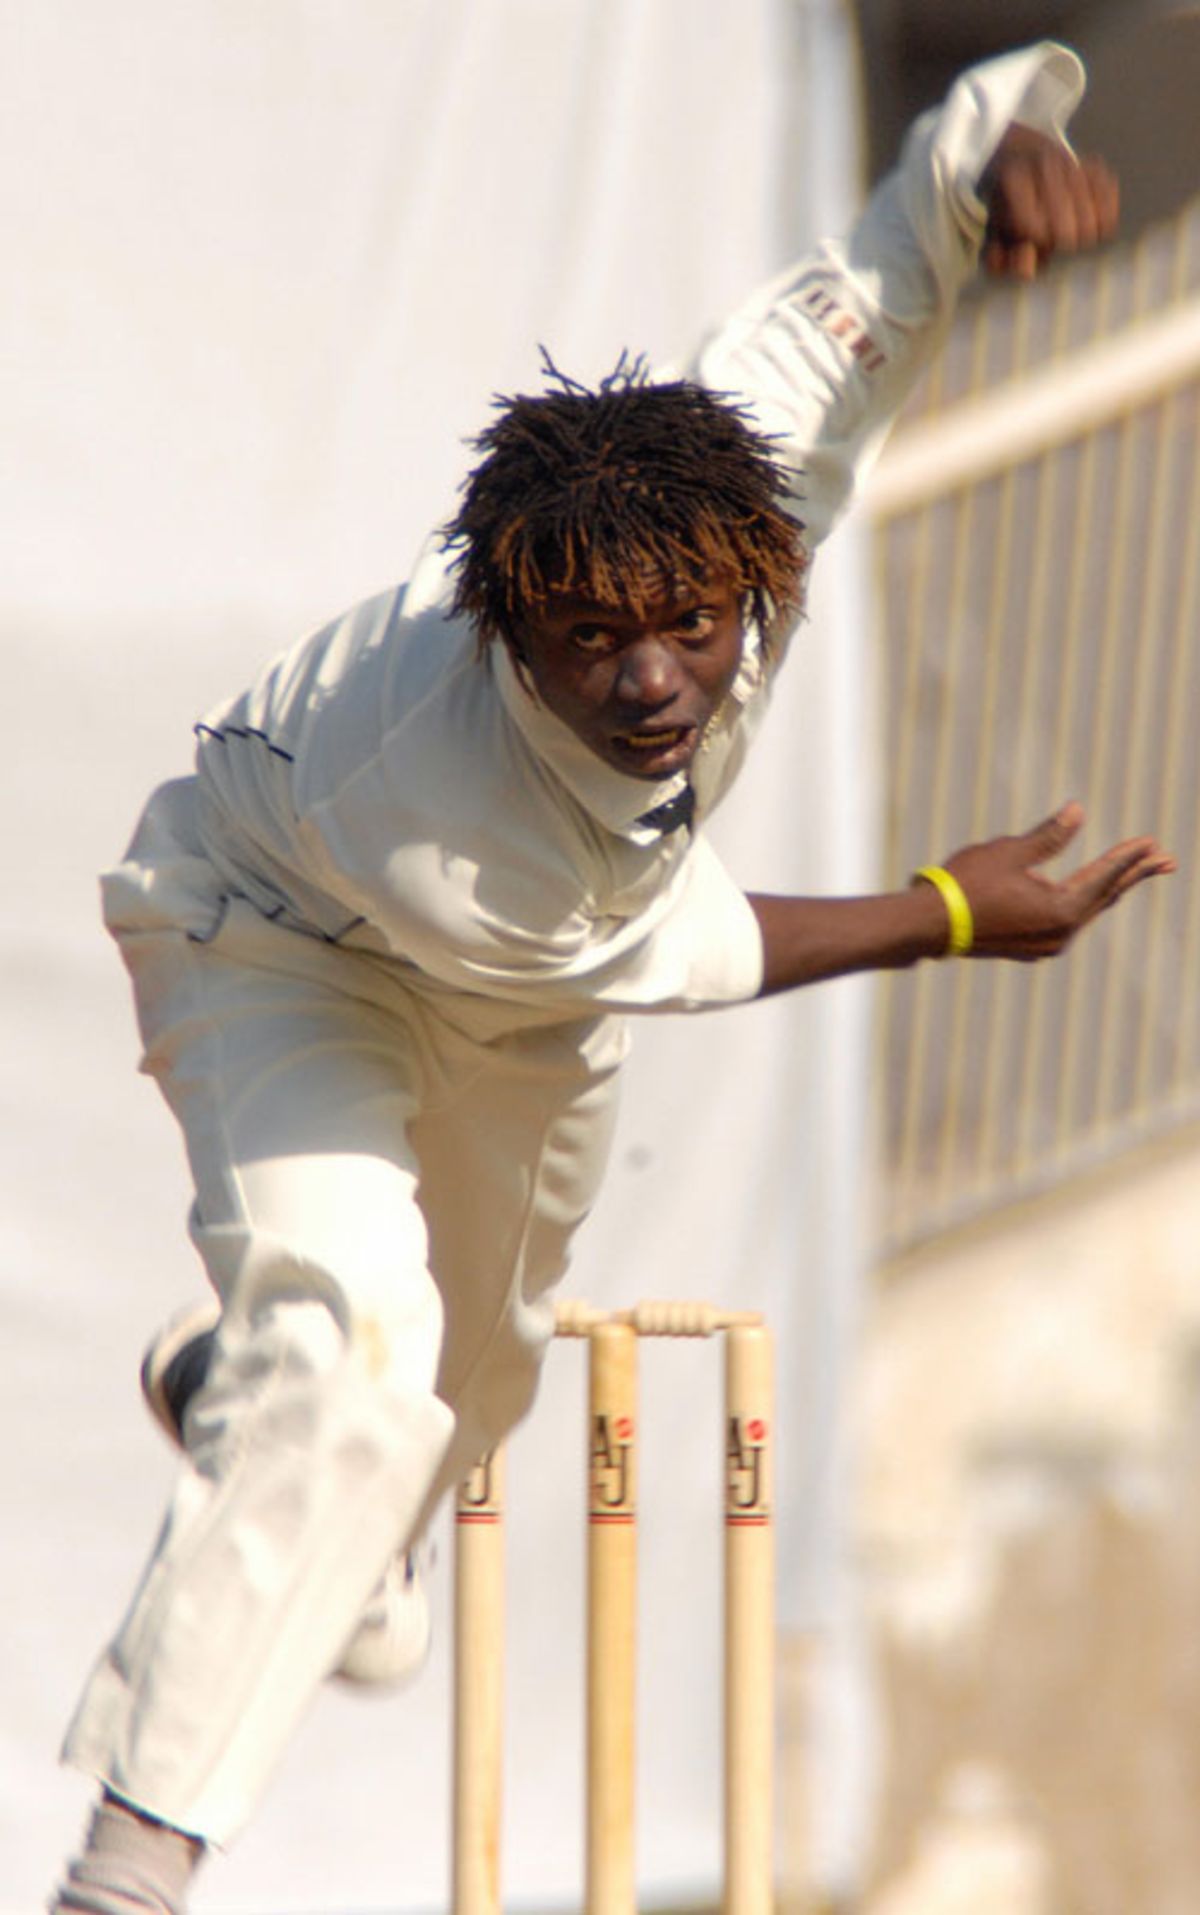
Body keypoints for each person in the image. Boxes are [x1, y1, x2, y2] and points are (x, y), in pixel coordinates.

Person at [51, 40, 1169, 1915]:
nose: (656, 683)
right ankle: (127, 1871)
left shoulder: (741, 466)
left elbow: (896, 247)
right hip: (282, 944)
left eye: (693, 628)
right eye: (591, 645)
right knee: (353, 1366)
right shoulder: (437, 784)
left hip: (522, 1021)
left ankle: (268, 1433)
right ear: (508, 623)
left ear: (748, 564)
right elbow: (691, 952)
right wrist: (954, 915)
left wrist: (1015, 151)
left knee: (443, 1443)